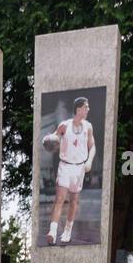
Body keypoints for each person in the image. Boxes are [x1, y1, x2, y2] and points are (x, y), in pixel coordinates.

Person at [45, 96, 96, 246]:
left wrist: (89, 161)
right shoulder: (64, 125)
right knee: (60, 198)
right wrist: (49, 139)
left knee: (74, 201)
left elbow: (92, 146)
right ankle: (52, 232)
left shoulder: (88, 127)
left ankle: (67, 231)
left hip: (79, 167)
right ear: (78, 109)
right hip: (65, 166)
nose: (88, 109)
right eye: (86, 107)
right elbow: (54, 137)